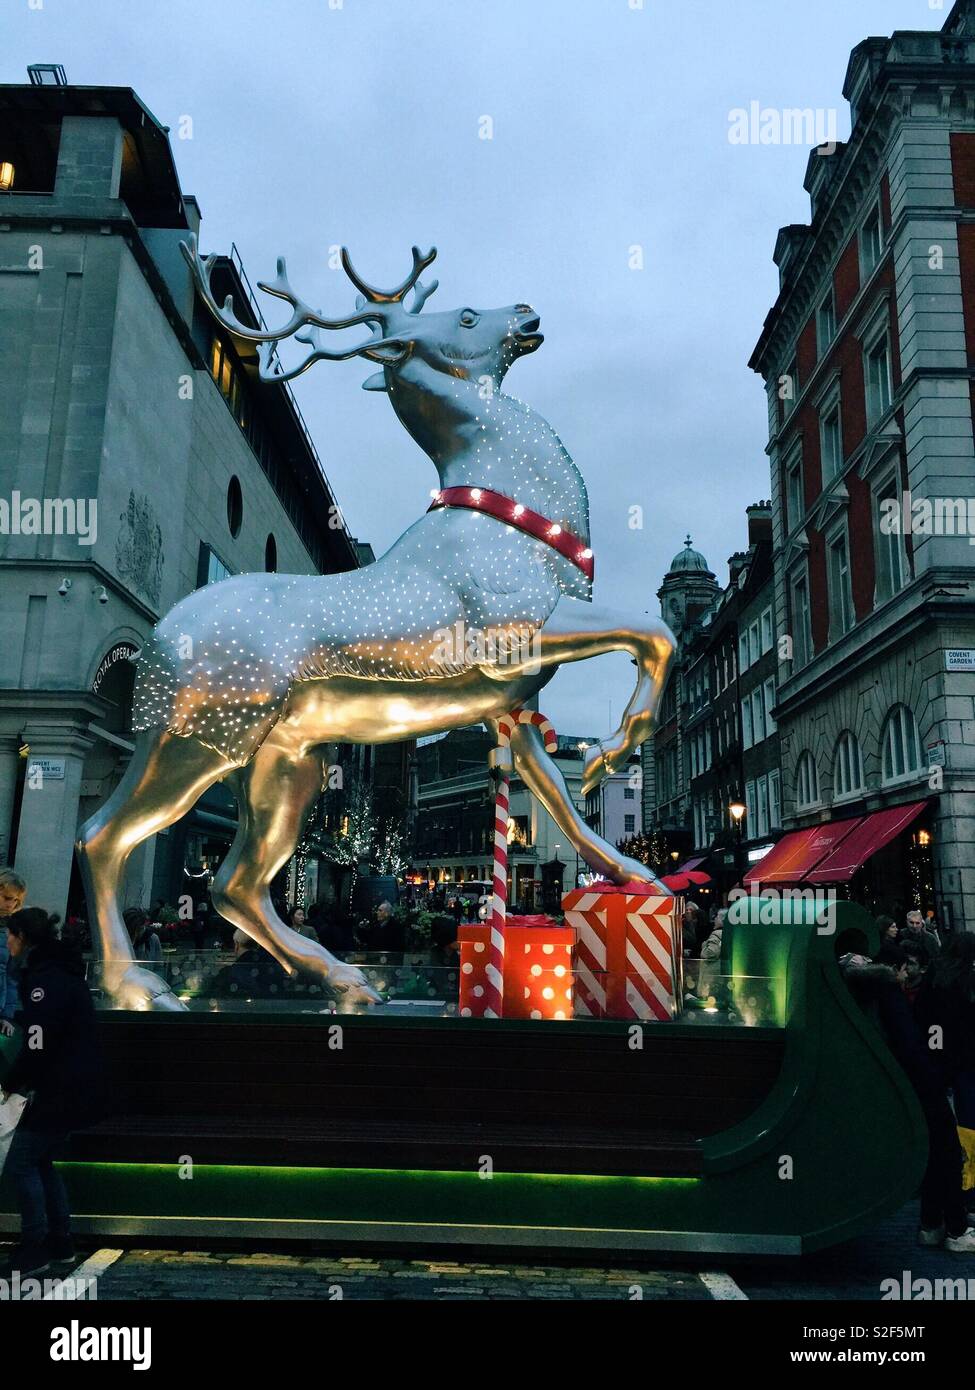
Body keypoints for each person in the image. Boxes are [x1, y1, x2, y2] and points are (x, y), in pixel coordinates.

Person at [841, 946, 975, 1252]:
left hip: (908, 1079)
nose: (907, 975)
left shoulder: (870, 993)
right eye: (904, 969)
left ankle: (932, 1224)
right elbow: (911, 1042)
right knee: (948, 1150)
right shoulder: (889, 992)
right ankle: (955, 1228)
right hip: (921, 1080)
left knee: (937, 1151)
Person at [0, 908, 105, 1276]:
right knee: (41, 1161)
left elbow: (39, 1040)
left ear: (24, 938)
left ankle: (35, 1247)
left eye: (11, 935)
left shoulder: (45, 980)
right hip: (74, 1084)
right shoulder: (59, 973)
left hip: (60, 1087)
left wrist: (12, 1081)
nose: (7, 942)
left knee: (21, 1163)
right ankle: (60, 1242)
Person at [916, 934, 975, 1219]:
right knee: (968, 1126)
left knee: (942, 1133)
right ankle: (967, 1191)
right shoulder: (965, 980)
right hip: (964, 1062)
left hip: (934, 1062)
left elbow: (922, 1017)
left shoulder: (934, 975)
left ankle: (937, 1211)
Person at [0, 868, 27, 1035]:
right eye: (7, 898)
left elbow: (11, 977)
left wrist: (6, 1016)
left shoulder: (12, 931)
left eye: (16, 901)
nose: (11, 904)